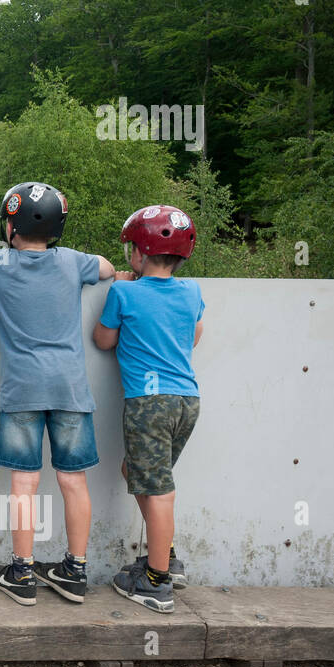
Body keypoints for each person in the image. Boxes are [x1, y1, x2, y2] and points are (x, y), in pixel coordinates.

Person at [0, 182, 116, 605]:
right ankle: (74, 571)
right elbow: (108, 268)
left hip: (22, 389)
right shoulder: (74, 262)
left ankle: (22, 572)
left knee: (24, 483)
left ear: (11, 225)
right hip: (71, 388)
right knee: (74, 481)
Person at [94, 205, 204, 613]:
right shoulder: (192, 292)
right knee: (136, 472)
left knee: (158, 490)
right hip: (187, 402)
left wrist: (120, 291)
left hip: (148, 402)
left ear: (139, 254)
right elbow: (194, 337)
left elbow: (103, 341)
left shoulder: (124, 292)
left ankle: (157, 581)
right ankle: (165, 555)